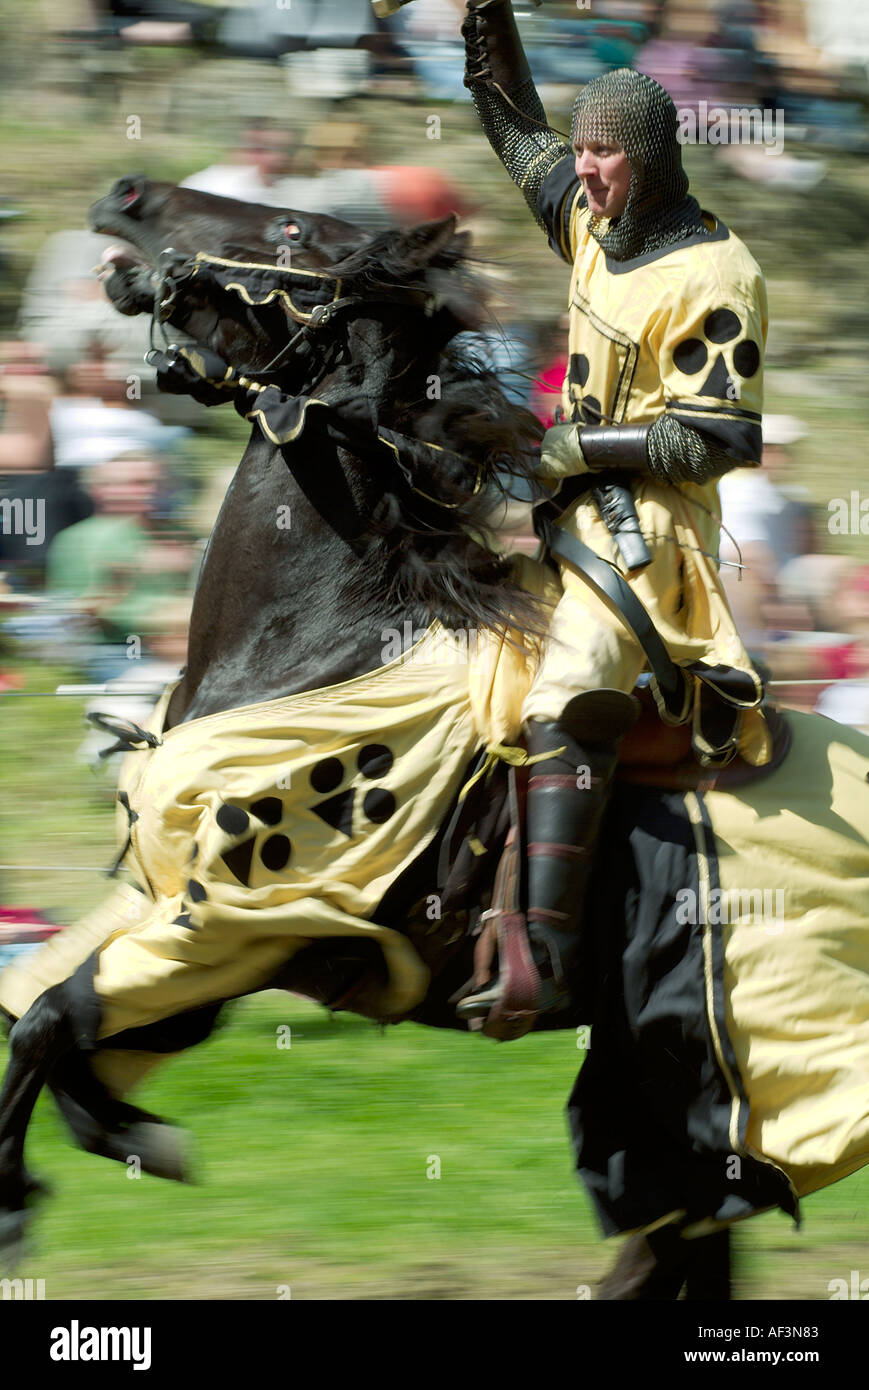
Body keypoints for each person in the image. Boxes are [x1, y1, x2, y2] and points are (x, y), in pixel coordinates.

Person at [456, 0, 772, 1027]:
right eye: (581, 150)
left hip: (654, 538)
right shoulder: (592, 222)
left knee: (570, 685)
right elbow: (514, 125)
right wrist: (483, 13)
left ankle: (543, 954)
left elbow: (720, 437)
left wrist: (580, 449)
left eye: (604, 155)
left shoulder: (718, 274)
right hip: (562, 515)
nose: (583, 170)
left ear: (650, 159)